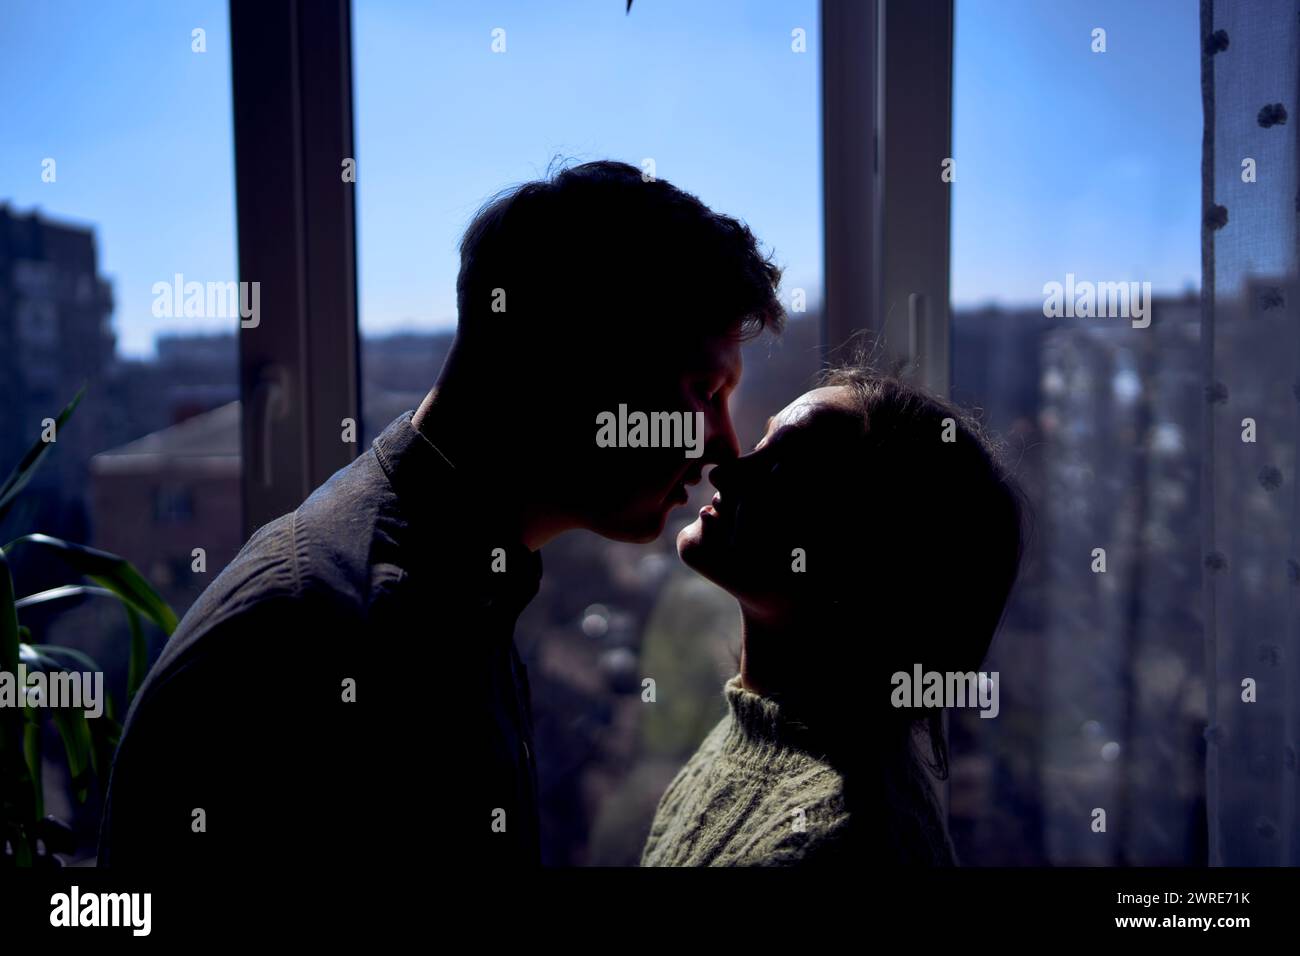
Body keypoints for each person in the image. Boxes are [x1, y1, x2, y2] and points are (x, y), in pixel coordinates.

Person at [98, 159, 784, 867]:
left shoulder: (447, 575)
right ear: (566, 361)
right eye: (703, 392)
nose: (723, 447)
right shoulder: (371, 634)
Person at [640, 368, 1025, 866]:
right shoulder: (750, 733)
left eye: (786, 469)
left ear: (870, 558)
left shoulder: (838, 846)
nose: (727, 471)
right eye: (764, 440)